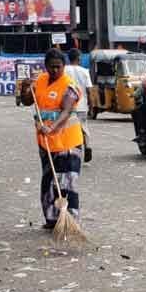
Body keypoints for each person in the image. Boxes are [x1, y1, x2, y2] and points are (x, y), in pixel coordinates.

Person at [19, 49, 86, 228]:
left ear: (64, 66)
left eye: (58, 67)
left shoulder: (69, 86)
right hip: (46, 143)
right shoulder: (41, 80)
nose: (55, 70)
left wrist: (52, 127)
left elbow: (66, 111)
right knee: (48, 183)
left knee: (67, 184)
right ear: (46, 66)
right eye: (51, 67)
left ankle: (69, 222)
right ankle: (52, 220)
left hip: (68, 142)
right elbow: (27, 100)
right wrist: (25, 88)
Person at [65, 48, 94, 162]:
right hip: (82, 105)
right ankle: (88, 146)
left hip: (68, 106)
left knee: (69, 128)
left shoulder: (64, 70)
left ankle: (72, 150)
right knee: (84, 127)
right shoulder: (84, 71)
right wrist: (91, 105)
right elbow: (89, 91)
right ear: (78, 58)